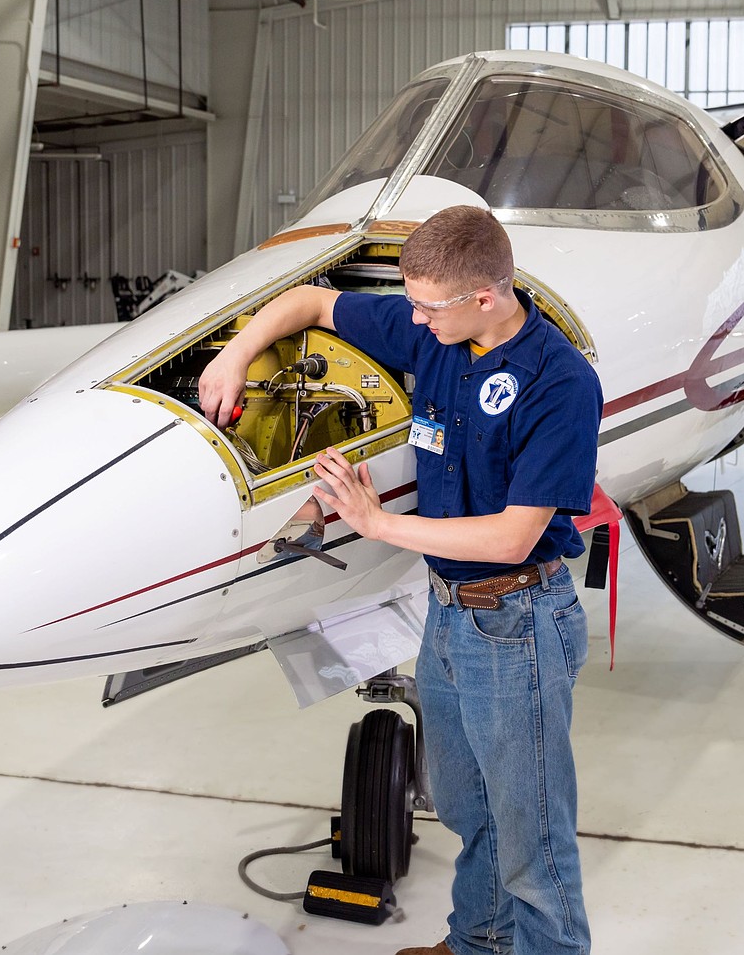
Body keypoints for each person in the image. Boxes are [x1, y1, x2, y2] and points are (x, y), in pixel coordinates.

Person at [198, 205, 602, 955]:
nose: (412, 317)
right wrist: (236, 353)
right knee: (463, 801)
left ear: (486, 296)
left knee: (531, 835)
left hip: (518, 620)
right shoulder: (439, 331)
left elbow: (513, 535)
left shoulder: (559, 382)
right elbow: (314, 302)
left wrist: (376, 523)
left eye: (426, 304)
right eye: (409, 299)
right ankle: (479, 940)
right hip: (450, 614)